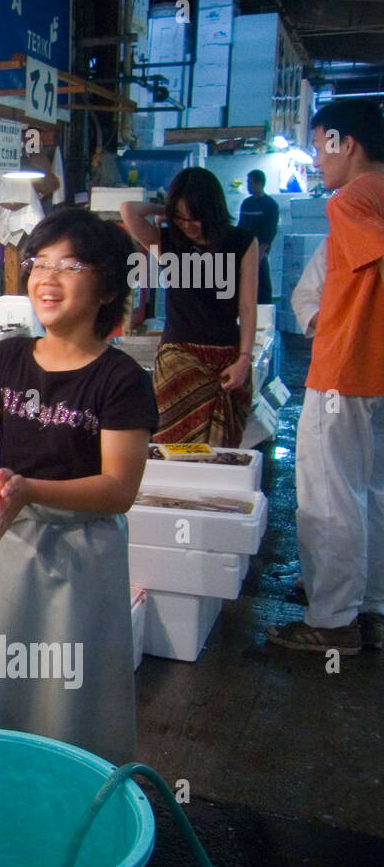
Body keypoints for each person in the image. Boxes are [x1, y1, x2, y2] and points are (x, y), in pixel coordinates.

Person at [0, 208, 158, 765]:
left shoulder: (122, 380)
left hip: (83, 553)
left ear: (107, 284)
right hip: (9, 542)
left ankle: (75, 793)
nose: (46, 278)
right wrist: (0, 481)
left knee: (73, 690)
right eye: (39, 263)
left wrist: (29, 489)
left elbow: (118, 489)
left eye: (68, 265)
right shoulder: (5, 359)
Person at [267, 99, 384, 656]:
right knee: (371, 492)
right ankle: (370, 605)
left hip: (347, 368)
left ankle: (333, 621)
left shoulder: (354, 200)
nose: (316, 158)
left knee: (330, 495)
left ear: (347, 143)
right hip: (375, 374)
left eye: (319, 145)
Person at [121, 167, 259, 447]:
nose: (188, 226)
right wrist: (170, 210)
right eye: (180, 218)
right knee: (171, 446)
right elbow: (128, 210)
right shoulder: (169, 239)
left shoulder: (242, 242)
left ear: (213, 210)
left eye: (195, 217)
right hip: (178, 360)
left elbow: (247, 306)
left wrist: (244, 358)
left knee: (221, 453)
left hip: (227, 359)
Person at [238, 169, 279, 304]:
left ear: (259, 183)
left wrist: (260, 253)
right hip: (243, 251)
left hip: (259, 253)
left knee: (262, 287)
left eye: (251, 183)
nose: (249, 186)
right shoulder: (247, 203)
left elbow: (270, 232)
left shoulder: (270, 205)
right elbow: (241, 226)